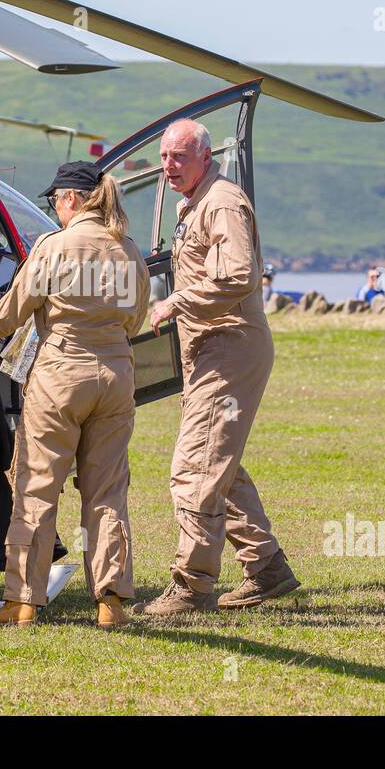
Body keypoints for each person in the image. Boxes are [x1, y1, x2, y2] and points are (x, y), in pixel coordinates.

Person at [0, 160, 150, 629]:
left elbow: (9, 315)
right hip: (116, 375)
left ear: (70, 199)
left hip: (61, 373)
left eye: (54, 201)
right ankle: (110, 602)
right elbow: (136, 319)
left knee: (36, 488)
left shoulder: (54, 246)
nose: (54, 209)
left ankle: (22, 601)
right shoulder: (127, 250)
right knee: (107, 492)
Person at [140, 119, 300, 617]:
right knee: (220, 465)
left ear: (206, 157)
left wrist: (177, 300)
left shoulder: (222, 202)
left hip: (228, 346)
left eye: (180, 156)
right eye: (165, 156)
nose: (169, 165)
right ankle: (267, 569)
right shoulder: (196, 203)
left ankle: (192, 585)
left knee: (194, 468)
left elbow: (237, 273)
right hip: (210, 350)